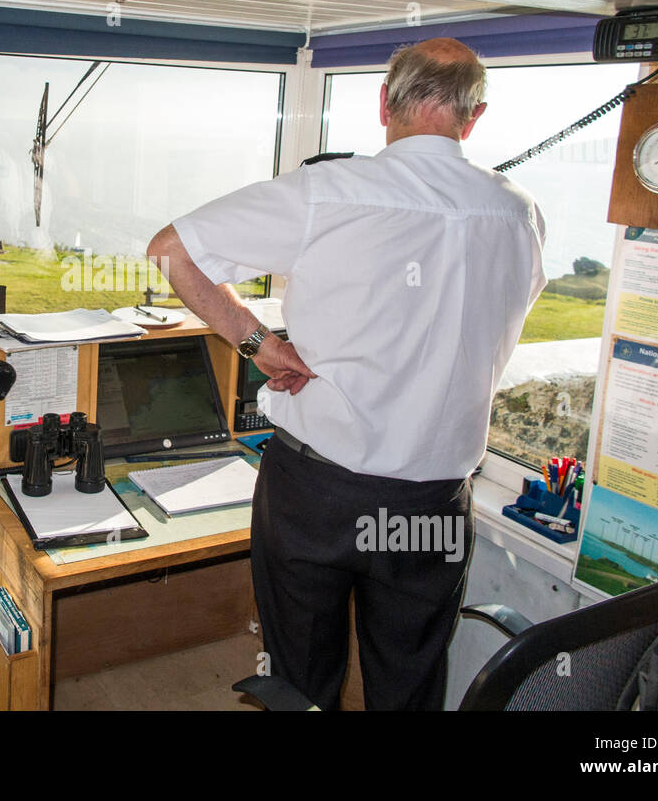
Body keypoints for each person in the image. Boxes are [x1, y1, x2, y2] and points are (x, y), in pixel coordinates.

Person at [147, 37, 546, 710]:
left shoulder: (330, 190)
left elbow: (171, 251)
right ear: (472, 117)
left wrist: (258, 345)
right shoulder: (519, 214)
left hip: (318, 494)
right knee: (410, 681)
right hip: (433, 501)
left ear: (385, 104)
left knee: (299, 681)